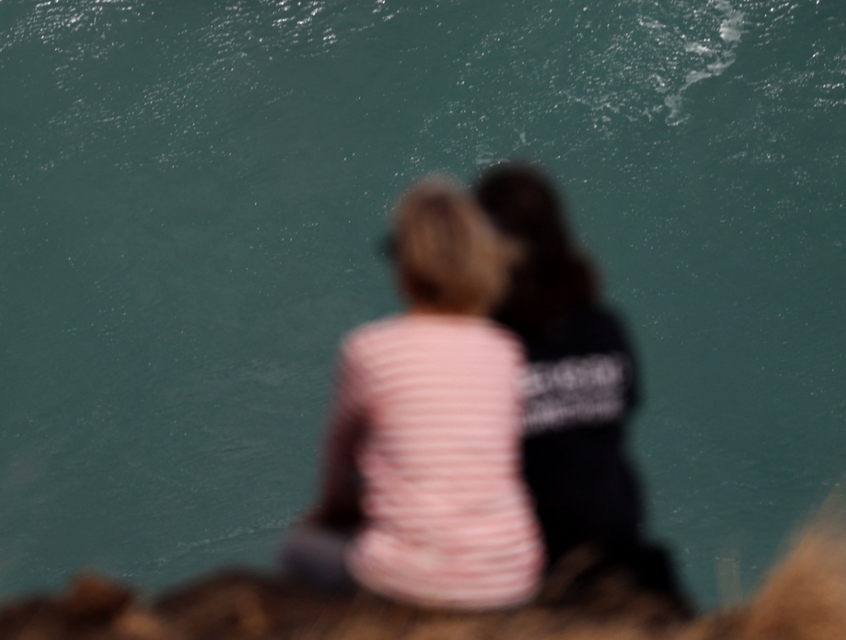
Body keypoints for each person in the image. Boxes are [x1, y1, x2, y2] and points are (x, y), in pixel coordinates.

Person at [279, 178, 544, 610]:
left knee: (300, 551)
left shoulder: (369, 349)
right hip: (511, 576)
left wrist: (337, 513)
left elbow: (339, 466)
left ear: (408, 268)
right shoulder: (506, 350)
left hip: (409, 579)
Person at [473, 161, 696, 617]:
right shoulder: (604, 327)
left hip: (535, 559)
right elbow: (624, 408)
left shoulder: (490, 346)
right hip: (618, 544)